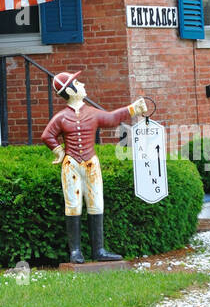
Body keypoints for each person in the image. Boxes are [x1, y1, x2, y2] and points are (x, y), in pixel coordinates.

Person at [39, 71, 148, 263]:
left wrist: (133, 109)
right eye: (77, 83)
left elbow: (112, 118)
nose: (82, 85)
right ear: (71, 91)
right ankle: (75, 251)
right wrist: (58, 151)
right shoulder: (61, 117)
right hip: (71, 165)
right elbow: (47, 135)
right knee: (73, 205)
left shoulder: (92, 113)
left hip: (91, 163)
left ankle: (99, 250)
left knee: (96, 202)